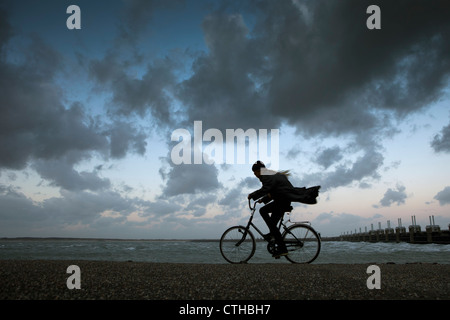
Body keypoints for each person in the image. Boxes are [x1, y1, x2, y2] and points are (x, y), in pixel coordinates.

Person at [247, 161, 295, 258]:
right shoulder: (270, 174)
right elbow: (273, 191)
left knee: (263, 211)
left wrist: (252, 195)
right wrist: (263, 199)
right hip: (284, 199)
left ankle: (282, 248)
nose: (255, 175)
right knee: (272, 226)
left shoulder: (266, 176)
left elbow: (266, 189)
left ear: (259, 171)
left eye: (255, 172)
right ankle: (275, 241)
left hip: (283, 200)